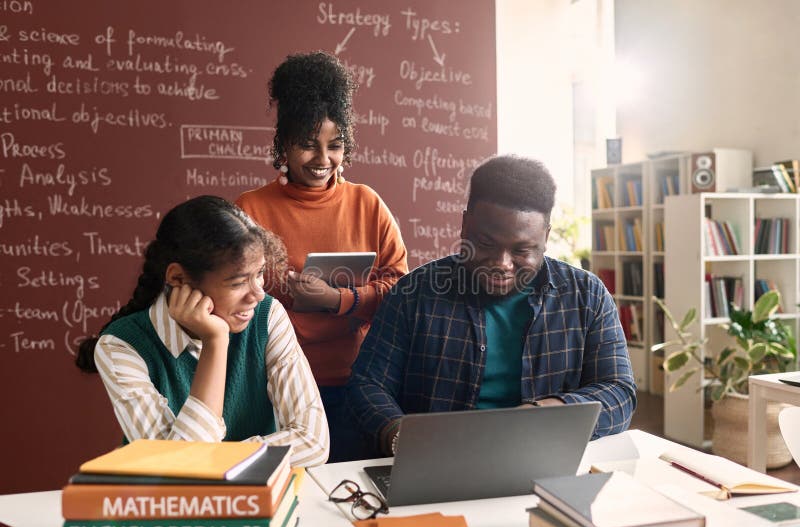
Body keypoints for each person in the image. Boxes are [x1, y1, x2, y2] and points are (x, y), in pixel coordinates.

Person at [345, 155, 637, 456]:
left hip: (545, 459)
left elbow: (619, 392)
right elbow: (367, 386)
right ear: (464, 225)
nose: (502, 264)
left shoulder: (586, 295)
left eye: (522, 250)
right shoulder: (414, 293)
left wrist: (549, 412)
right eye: (485, 244)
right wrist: (401, 437)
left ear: (546, 237)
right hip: (436, 462)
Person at [236, 51, 408, 462]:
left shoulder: (367, 203)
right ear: (284, 144)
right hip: (273, 389)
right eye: (307, 145)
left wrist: (337, 301)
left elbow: (401, 288)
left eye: (335, 146)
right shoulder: (250, 209)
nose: (322, 160)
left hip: (353, 385)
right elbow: (230, 292)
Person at [76, 195, 328, 467]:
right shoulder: (120, 346)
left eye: (259, 274)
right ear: (178, 279)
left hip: (258, 500)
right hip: (170, 507)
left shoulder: (268, 316)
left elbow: (313, 442)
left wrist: (213, 463)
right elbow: (177, 472)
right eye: (238, 282)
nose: (257, 293)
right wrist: (216, 343)